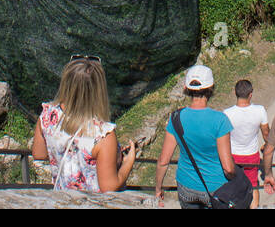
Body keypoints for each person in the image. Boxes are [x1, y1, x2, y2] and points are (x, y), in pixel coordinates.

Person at [30, 57, 140, 192]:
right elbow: (109, 186)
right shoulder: (102, 134)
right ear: (98, 90)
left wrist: (70, 153)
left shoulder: (48, 115)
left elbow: (39, 154)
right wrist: (128, 163)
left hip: (60, 201)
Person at [155, 65, 237, 208]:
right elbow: (228, 168)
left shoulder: (175, 117)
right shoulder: (220, 120)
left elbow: (163, 160)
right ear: (211, 88)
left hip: (186, 185)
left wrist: (158, 188)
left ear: (187, 89)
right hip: (215, 187)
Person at [223, 80, 269, 207]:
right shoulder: (260, 111)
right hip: (251, 155)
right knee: (253, 185)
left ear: (235, 93)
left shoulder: (227, 113)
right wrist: (267, 145)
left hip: (232, 156)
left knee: (232, 185)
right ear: (251, 94)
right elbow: (266, 134)